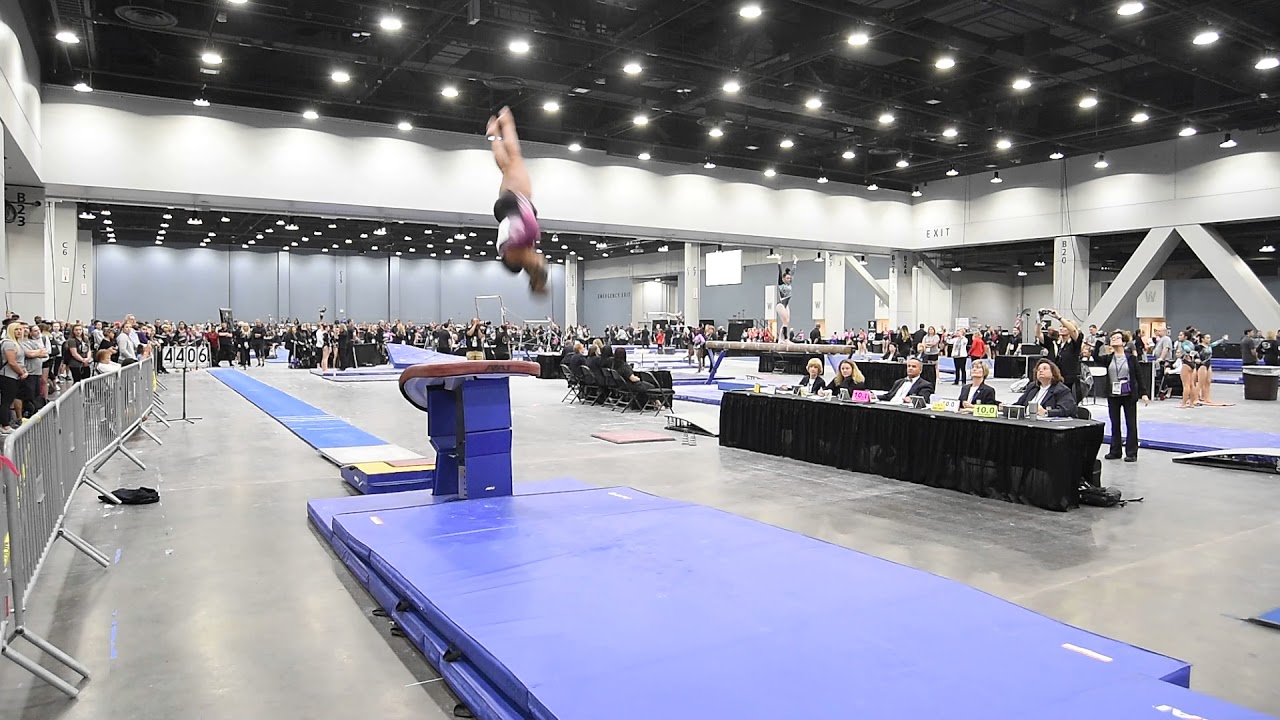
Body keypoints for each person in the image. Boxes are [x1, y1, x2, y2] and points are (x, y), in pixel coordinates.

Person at [487, 107, 548, 294]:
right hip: (505, 209)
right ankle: (495, 135)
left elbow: (527, 216)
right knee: (507, 167)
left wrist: (521, 195)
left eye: (541, 260)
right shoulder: (513, 260)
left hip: (515, 203)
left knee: (515, 158)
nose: (542, 256)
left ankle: (506, 122)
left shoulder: (527, 239)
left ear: (535, 263)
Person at [1102, 330, 1149, 462]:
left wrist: (1143, 393)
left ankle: (1131, 452)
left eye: (1117, 338)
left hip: (1128, 394)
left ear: (1124, 342)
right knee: (1114, 423)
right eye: (1112, 338)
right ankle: (1115, 451)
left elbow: (1139, 375)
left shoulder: (1131, 358)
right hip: (1113, 394)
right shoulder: (1108, 358)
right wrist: (1101, 341)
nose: (1114, 339)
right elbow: (1095, 356)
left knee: (1131, 424)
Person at [1012, 359, 1078, 418]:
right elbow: (1019, 404)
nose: (1040, 371)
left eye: (1045, 368)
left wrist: (1046, 412)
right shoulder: (1032, 387)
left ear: (1053, 373)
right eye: (1038, 369)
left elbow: (1065, 410)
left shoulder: (1061, 390)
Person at [1, 322, 30, 432]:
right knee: (6, 401)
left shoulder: (17, 343)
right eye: (16, 329)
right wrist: (21, 372)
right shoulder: (9, 344)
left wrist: (23, 371)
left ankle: (5, 423)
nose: (19, 331)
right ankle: (5, 425)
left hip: (15, 376)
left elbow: (20, 360)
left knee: (9, 400)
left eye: (20, 329)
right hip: (8, 376)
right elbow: (12, 362)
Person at [775, 256, 796, 341]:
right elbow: (780, 272)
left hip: (786, 305)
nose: (789, 279)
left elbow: (793, 273)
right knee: (785, 321)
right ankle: (786, 339)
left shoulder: (789, 284)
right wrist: (779, 261)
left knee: (786, 322)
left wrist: (795, 262)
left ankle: (781, 339)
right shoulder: (781, 284)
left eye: (789, 278)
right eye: (787, 278)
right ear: (783, 279)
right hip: (780, 305)